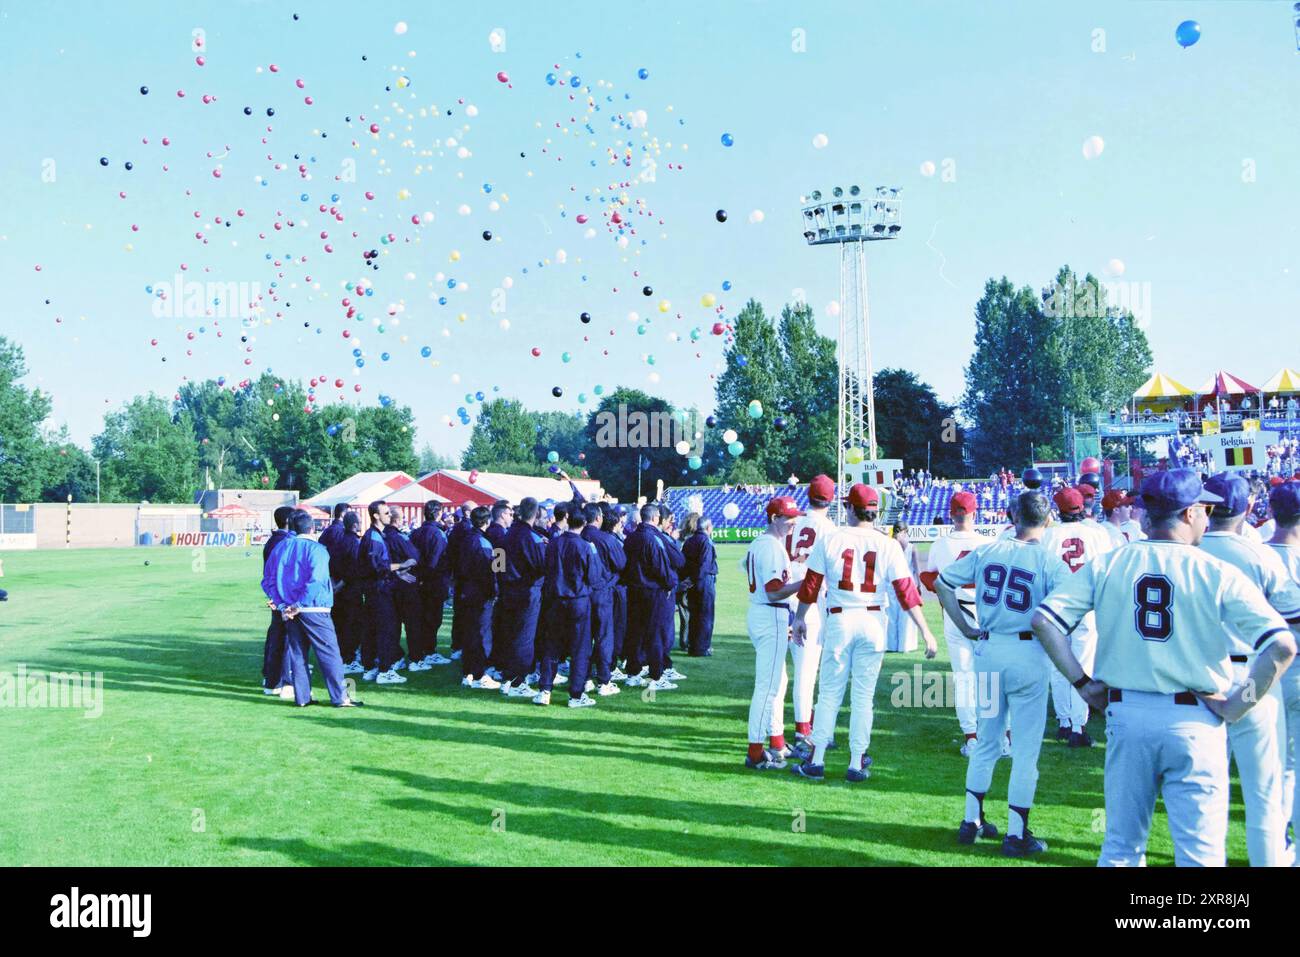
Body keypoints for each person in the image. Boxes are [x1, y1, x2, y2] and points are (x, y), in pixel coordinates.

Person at [1033, 469, 1297, 867]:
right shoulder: (1215, 570)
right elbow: (1281, 646)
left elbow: (1044, 621)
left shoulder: (1110, 563)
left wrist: (1083, 683)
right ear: (1189, 513)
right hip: (1195, 719)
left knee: (1121, 849)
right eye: (1204, 508)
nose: (1208, 516)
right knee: (1200, 855)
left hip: (1127, 713)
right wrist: (1236, 705)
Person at [936, 491, 1062, 857]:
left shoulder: (989, 550)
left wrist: (965, 626)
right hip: (1028, 649)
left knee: (987, 740)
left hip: (989, 648)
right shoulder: (1049, 561)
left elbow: (943, 583)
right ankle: (1016, 833)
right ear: (1048, 519)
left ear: (1012, 515)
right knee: (1024, 750)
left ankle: (971, 819)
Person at [790, 485, 937, 782]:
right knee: (863, 696)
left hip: (840, 619)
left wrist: (801, 618)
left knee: (830, 692)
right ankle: (856, 761)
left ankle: (817, 759)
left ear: (849, 508)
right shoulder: (888, 544)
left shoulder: (832, 538)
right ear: (874, 511)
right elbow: (906, 592)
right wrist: (926, 631)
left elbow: (811, 584)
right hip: (873, 621)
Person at [1198, 472, 1300, 866]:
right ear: (1249, 507)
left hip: (1198, 679)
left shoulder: (1186, 547)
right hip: (1256, 677)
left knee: (1204, 793)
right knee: (1263, 795)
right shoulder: (1257, 551)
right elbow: (1290, 628)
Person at [1041, 486, 1117, 748]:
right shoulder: (1097, 533)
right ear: (1083, 508)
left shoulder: (1048, 535)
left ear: (1058, 510)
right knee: (1083, 665)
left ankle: (1063, 722)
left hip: (1057, 605)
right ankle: (1077, 726)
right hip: (1087, 605)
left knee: (1057, 665)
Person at [262, 510, 361, 708]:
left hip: (289, 609)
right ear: (312, 527)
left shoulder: (280, 547)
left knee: (298, 654)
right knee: (330, 653)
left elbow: (268, 580)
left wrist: (282, 604)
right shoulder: (317, 550)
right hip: (314, 608)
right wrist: (299, 604)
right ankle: (341, 697)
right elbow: (316, 579)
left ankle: (303, 698)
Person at [921, 491, 995, 755]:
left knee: (964, 677)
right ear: (974, 513)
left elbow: (930, 578)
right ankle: (1002, 737)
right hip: (987, 613)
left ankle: (972, 737)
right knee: (992, 676)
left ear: (952, 514)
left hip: (955, 612)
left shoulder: (940, 544)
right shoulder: (990, 542)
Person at [741, 497, 806, 770]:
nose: (793, 522)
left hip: (764, 612)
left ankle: (777, 742)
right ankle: (755, 752)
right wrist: (804, 583)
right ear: (773, 518)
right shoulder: (771, 546)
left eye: (794, 516)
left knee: (778, 682)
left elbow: (747, 567)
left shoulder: (762, 543)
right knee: (767, 687)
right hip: (771, 613)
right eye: (787, 517)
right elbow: (774, 590)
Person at [784, 474, 837, 753]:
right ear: (831, 499)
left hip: (784, 597)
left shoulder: (792, 521)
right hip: (812, 602)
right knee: (809, 672)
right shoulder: (829, 528)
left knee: (782, 675)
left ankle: (798, 729)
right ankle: (804, 731)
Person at [1265, 481, 1300, 860]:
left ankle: (1280, 842)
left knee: (1277, 766)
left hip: (1263, 672)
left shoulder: (1258, 554)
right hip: (1293, 668)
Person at [536, 503, 598, 708]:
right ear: (585, 523)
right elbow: (594, 576)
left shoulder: (553, 543)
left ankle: (545, 689)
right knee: (580, 648)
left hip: (555, 600)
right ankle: (575, 695)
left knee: (551, 645)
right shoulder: (585, 546)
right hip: (577, 600)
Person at [622, 505, 678, 692]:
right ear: (655, 518)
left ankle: (633, 672)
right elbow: (661, 567)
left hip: (634, 590)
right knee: (655, 634)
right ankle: (656, 675)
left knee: (635, 632)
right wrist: (671, 583)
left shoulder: (631, 537)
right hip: (652, 591)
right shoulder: (653, 538)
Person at [497, 497, 549, 697]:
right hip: (527, 591)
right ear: (535, 514)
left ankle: (508, 677)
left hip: (508, 589)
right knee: (525, 637)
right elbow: (542, 567)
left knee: (511, 634)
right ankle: (518, 681)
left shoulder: (506, 534)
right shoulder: (532, 538)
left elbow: (497, 563)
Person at [356, 501, 409, 685]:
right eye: (386, 513)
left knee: (371, 629)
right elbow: (378, 567)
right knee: (386, 629)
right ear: (376, 516)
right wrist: (402, 566)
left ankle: (370, 667)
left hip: (375, 589)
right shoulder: (374, 538)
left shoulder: (377, 536)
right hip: (378, 590)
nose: (390, 515)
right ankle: (384, 670)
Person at [581, 502, 626, 696]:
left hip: (581, 593)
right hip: (602, 592)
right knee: (603, 636)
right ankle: (603, 680)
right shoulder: (606, 539)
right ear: (598, 518)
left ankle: (585, 678)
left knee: (583, 638)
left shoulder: (578, 536)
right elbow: (621, 563)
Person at [455, 506, 501, 689]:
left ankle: (468, 673)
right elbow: (489, 572)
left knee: (470, 633)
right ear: (487, 521)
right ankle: (479, 674)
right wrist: (495, 592)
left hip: (465, 591)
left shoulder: (465, 539)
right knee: (482, 634)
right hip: (480, 594)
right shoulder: (483, 543)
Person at [409, 502, 454, 667]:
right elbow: (435, 562)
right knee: (433, 618)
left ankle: (423, 649)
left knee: (423, 618)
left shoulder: (416, 532)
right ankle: (429, 651)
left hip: (419, 581)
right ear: (438, 513)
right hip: (433, 582)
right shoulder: (438, 534)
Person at [260, 506, 297, 697]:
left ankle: (271, 678)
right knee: (284, 638)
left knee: (277, 636)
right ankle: (283, 681)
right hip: (282, 596)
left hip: (276, 594)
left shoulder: (274, 540)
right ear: (289, 521)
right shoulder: (284, 542)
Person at [383, 508, 426, 670]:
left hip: (389, 584)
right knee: (412, 623)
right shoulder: (399, 537)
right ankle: (415, 659)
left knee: (393, 625)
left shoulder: (382, 536)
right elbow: (415, 557)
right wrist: (402, 571)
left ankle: (396, 656)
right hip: (405, 586)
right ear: (397, 520)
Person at [326, 511, 365, 674]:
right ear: (355, 525)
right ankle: (348, 660)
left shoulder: (339, 541)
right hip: (350, 590)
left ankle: (343, 657)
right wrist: (341, 583)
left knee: (341, 625)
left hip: (340, 590)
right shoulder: (354, 543)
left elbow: (332, 564)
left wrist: (336, 583)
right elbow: (354, 568)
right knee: (351, 625)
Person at [655, 504, 687, 680]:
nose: (672, 523)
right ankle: (663, 666)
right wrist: (672, 540)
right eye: (670, 520)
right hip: (662, 591)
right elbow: (679, 560)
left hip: (650, 590)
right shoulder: (662, 538)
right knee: (664, 630)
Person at [681, 514, 717, 657]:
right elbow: (704, 565)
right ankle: (702, 647)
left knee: (694, 614)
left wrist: (687, 581)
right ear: (708, 527)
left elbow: (683, 562)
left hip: (692, 582)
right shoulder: (706, 541)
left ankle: (693, 645)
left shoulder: (689, 541)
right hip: (704, 581)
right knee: (705, 615)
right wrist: (696, 579)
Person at [886, 522, 922, 653]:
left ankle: (891, 645)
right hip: (907, 583)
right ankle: (906, 646)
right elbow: (917, 569)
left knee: (891, 616)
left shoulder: (889, 545)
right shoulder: (912, 547)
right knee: (906, 616)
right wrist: (919, 586)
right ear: (905, 531)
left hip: (891, 583)